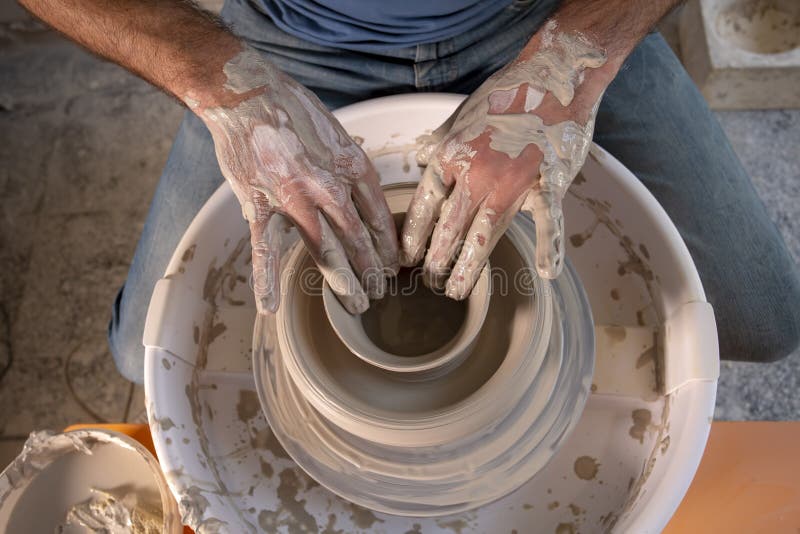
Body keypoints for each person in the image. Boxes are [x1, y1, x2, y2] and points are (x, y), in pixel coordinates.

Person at [20, 0, 800, 383]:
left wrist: (575, 60)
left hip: (550, 21)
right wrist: (220, 84)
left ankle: (543, 343)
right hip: (287, 43)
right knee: (149, 353)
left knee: (762, 316)